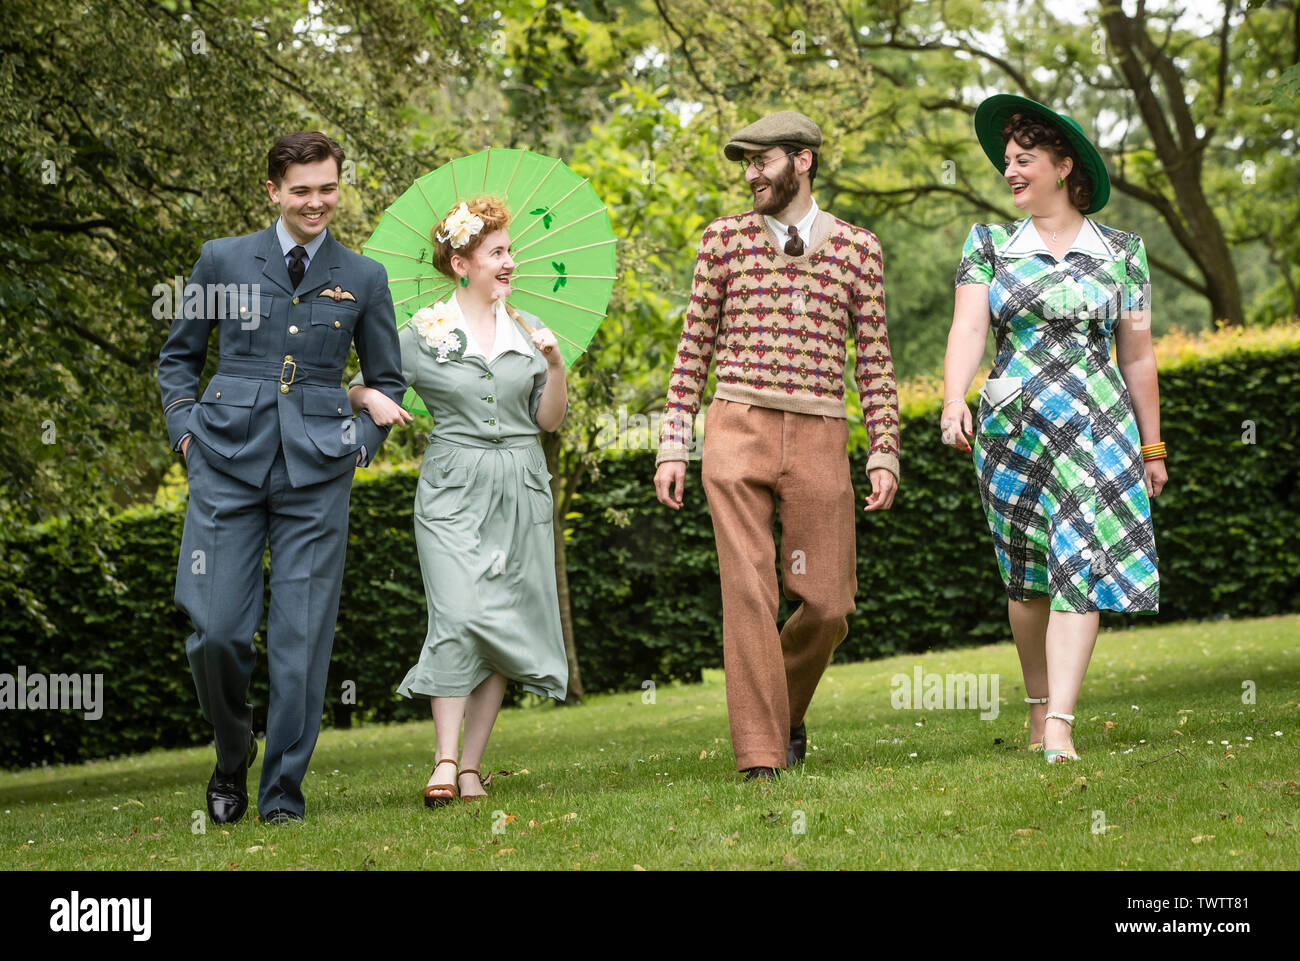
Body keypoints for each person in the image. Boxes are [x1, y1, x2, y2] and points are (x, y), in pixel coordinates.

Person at [157, 131, 406, 824]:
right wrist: (186, 433)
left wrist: (359, 443)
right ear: (272, 189)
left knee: (300, 643)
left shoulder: (365, 277)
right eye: (301, 190)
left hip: (318, 473)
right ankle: (232, 750)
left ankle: (281, 797)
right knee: (215, 630)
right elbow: (178, 358)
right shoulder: (223, 260)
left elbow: (388, 381)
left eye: (327, 187)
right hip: (225, 465)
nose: (316, 202)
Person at [652, 110, 901, 782]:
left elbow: (874, 359)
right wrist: (673, 442)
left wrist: (884, 448)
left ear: (804, 160)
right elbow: (692, 350)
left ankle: (782, 708)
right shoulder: (722, 241)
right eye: (746, 163)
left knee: (827, 603)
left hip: (821, 431)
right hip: (736, 428)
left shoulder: (858, 248)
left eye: (762, 160)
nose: (751, 174)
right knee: (749, 592)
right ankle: (760, 752)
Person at [942, 95, 1166, 763]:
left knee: (1080, 563)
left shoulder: (1126, 254)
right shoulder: (987, 246)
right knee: (1027, 579)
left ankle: (1062, 726)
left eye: (1024, 160)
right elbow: (969, 326)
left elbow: (1139, 353)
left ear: (1063, 166)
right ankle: (1038, 709)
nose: (1009, 171)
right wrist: (956, 398)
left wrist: (1152, 446)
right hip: (1013, 430)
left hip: (1097, 426)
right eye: (1006, 162)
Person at [348, 195, 569, 806]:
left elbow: (548, 422)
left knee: (496, 620)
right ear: (461, 263)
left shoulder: (528, 331)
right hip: (451, 488)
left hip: (521, 485)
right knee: (459, 612)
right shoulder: (423, 332)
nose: (510, 262)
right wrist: (370, 400)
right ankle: (444, 760)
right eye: (498, 252)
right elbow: (362, 381)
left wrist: (554, 366)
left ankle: (469, 768)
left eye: (510, 251)